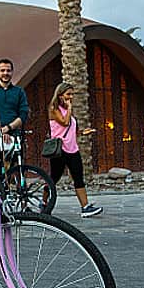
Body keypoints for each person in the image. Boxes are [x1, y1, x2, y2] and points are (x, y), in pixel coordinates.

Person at [47, 82, 103, 218]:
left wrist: (83, 132)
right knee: (53, 178)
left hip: (73, 149)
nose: (71, 97)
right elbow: (64, 122)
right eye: (68, 94)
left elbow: (69, 130)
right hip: (60, 150)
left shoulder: (68, 110)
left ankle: (85, 207)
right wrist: (70, 108)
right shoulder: (54, 109)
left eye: (72, 94)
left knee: (78, 177)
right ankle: (44, 204)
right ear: (60, 95)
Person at [0, 58, 30, 165]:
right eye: (2, 70)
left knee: (14, 168)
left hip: (14, 134)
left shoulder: (19, 92)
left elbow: (23, 114)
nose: (5, 73)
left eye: (8, 70)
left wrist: (7, 129)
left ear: (12, 72)